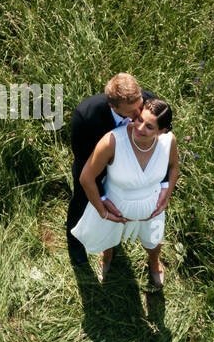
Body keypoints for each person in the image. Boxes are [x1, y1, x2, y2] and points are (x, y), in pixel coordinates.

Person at [70, 98, 179, 286]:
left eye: (149, 127)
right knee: (109, 238)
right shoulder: (112, 141)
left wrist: (166, 195)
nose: (139, 127)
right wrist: (102, 211)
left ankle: (154, 262)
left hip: (151, 208)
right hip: (115, 208)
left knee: (154, 242)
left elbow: (174, 166)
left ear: (162, 132)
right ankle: (107, 255)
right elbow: (86, 177)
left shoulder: (168, 142)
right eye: (139, 119)